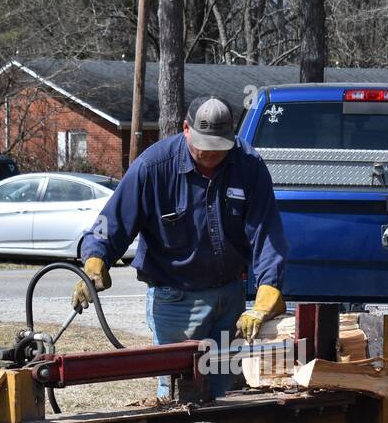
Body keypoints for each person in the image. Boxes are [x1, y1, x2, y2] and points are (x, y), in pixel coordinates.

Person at [73, 96, 290, 397]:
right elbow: (110, 224)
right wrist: (95, 260)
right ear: (186, 129)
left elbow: (267, 233)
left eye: (220, 145)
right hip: (175, 299)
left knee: (227, 389)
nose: (213, 153)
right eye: (205, 144)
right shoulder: (154, 167)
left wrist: (268, 290)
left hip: (229, 297)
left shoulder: (248, 165)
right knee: (180, 393)